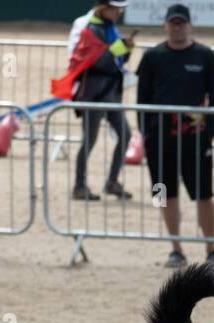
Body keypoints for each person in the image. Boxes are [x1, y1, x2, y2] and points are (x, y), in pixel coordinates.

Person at [136, 3, 214, 268]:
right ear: (165, 25)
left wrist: (210, 131)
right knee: (165, 194)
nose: (177, 28)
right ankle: (176, 249)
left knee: (204, 194)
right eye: (172, 23)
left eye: (181, 23)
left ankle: (211, 250)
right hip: (160, 139)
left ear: (189, 25)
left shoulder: (205, 55)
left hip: (196, 138)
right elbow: (142, 99)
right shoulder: (152, 57)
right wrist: (147, 134)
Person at [72, 1, 135, 201]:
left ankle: (112, 182)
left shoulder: (109, 28)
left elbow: (117, 62)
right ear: (104, 9)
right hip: (94, 93)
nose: (119, 12)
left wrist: (127, 49)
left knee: (125, 135)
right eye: (116, 9)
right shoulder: (91, 29)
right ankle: (79, 186)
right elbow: (98, 61)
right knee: (90, 140)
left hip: (110, 93)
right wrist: (119, 47)